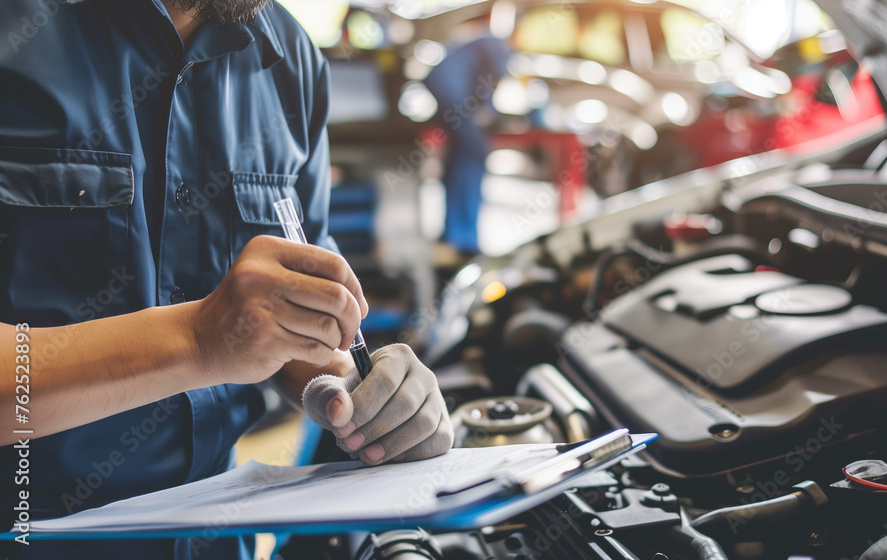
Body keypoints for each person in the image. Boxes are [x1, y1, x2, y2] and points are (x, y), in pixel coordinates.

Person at [0, 1, 452, 558]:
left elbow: (284, 321)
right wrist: (197, 341)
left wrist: (359, 392)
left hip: (220, 533)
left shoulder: (289, 61)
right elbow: (217, 336)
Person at [423, 30, 511, 257]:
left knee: (459, 158)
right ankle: (465, 239)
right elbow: (493, 80)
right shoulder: (499, 45)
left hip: (443, 90)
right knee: (475, 153)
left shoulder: (482, 42)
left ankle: (451, 233)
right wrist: (488, 111)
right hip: (452, 94)